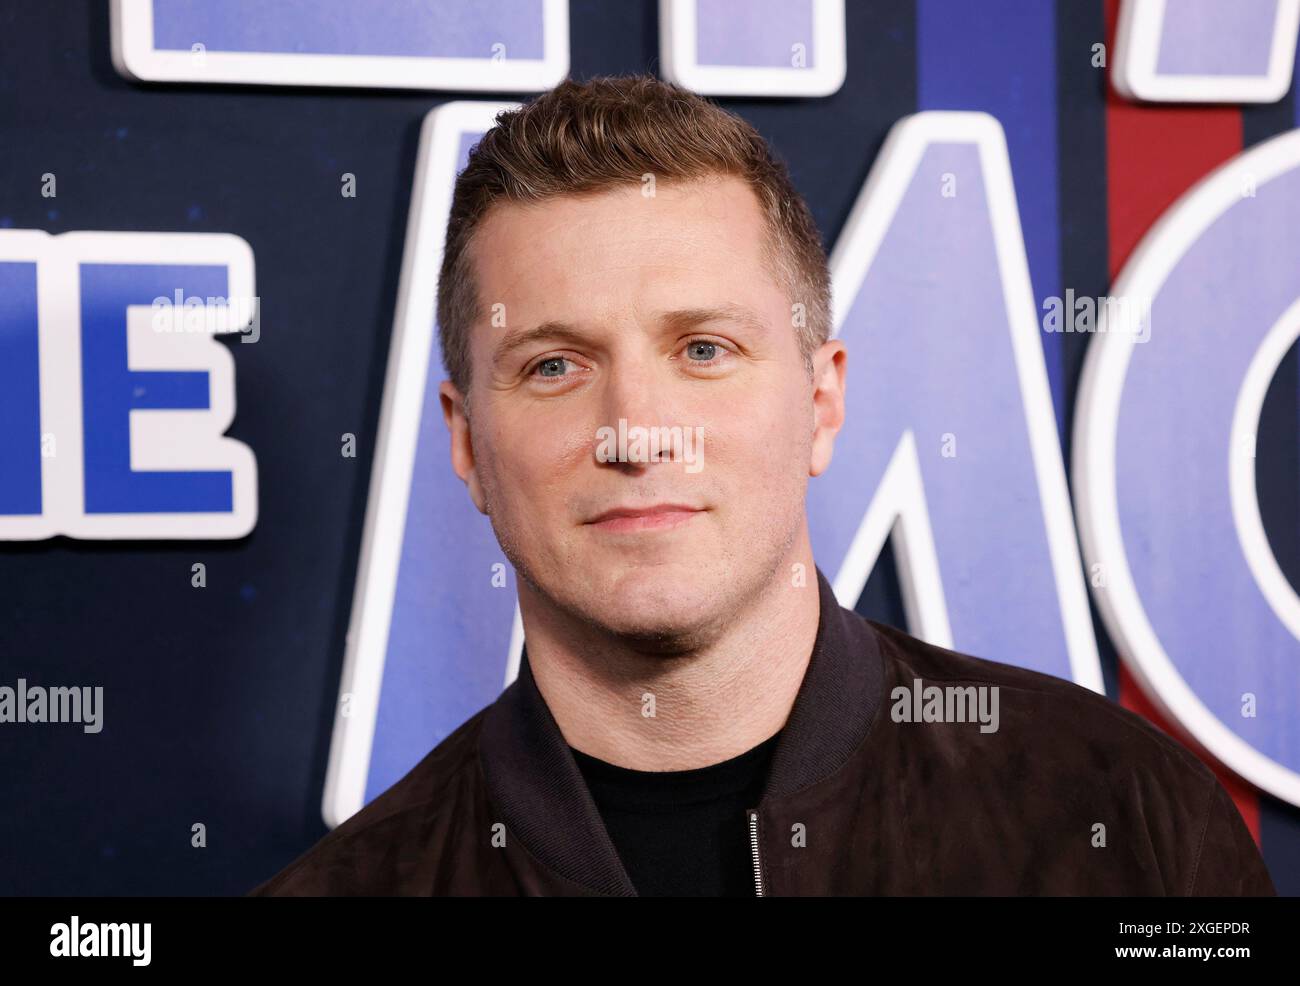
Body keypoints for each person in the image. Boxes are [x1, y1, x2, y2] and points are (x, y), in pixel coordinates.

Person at [250, 74, 1275, 897]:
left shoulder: (1125, 820)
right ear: (467, 442)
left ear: (820, 401)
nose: (636, 432)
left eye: (702, 347)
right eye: (554, 365)